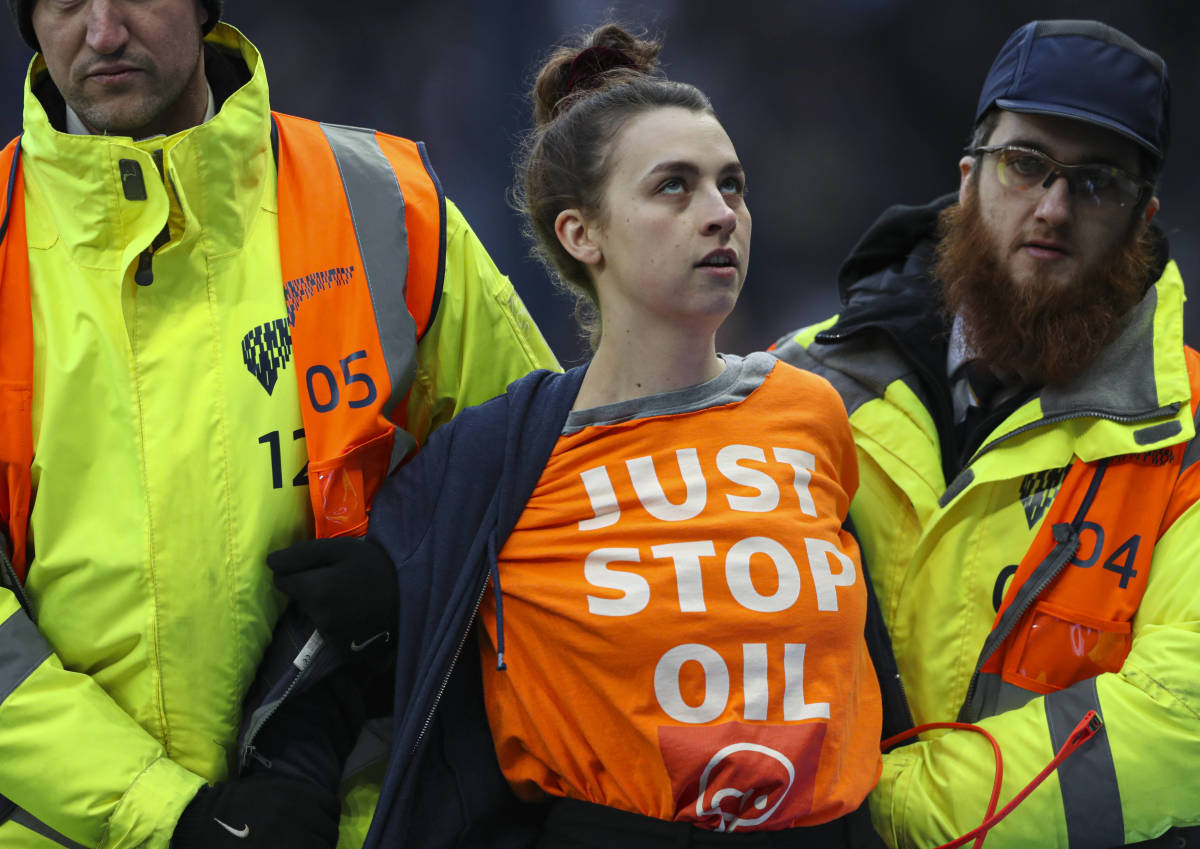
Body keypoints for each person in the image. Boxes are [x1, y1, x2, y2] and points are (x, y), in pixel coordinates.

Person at [254, 23, 886, 849]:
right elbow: (322, 667)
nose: (720, 215)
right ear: (582, 234)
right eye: (674, 187)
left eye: (731, 185)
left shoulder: (811, 411)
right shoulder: (503, 457)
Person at [0, 0, 558, 847]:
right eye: (66, 0)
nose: (103, 31)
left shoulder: (384, 203)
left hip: (364, 822)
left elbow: (554, 489)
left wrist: (419, 584)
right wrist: (170, 815)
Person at [772, 19, 1200, 849]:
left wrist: (880, 812)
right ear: (969, 179)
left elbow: (1180, 717)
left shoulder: (1188, 434)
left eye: (1097, 182)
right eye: (1025, 163)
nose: (1053, 207)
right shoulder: (800, 388)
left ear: (1141, 221)